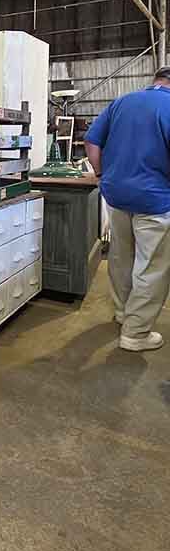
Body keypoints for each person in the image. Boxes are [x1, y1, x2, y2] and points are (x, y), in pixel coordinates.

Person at [84, 66, 170, 352]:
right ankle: (136, 333)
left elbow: (92, 141)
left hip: (117, 195)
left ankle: (123, 314)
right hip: (155, 200)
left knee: (121, 257)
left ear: (155, 80)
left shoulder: (122, 102)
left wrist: (99, 174)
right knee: (152, 267)